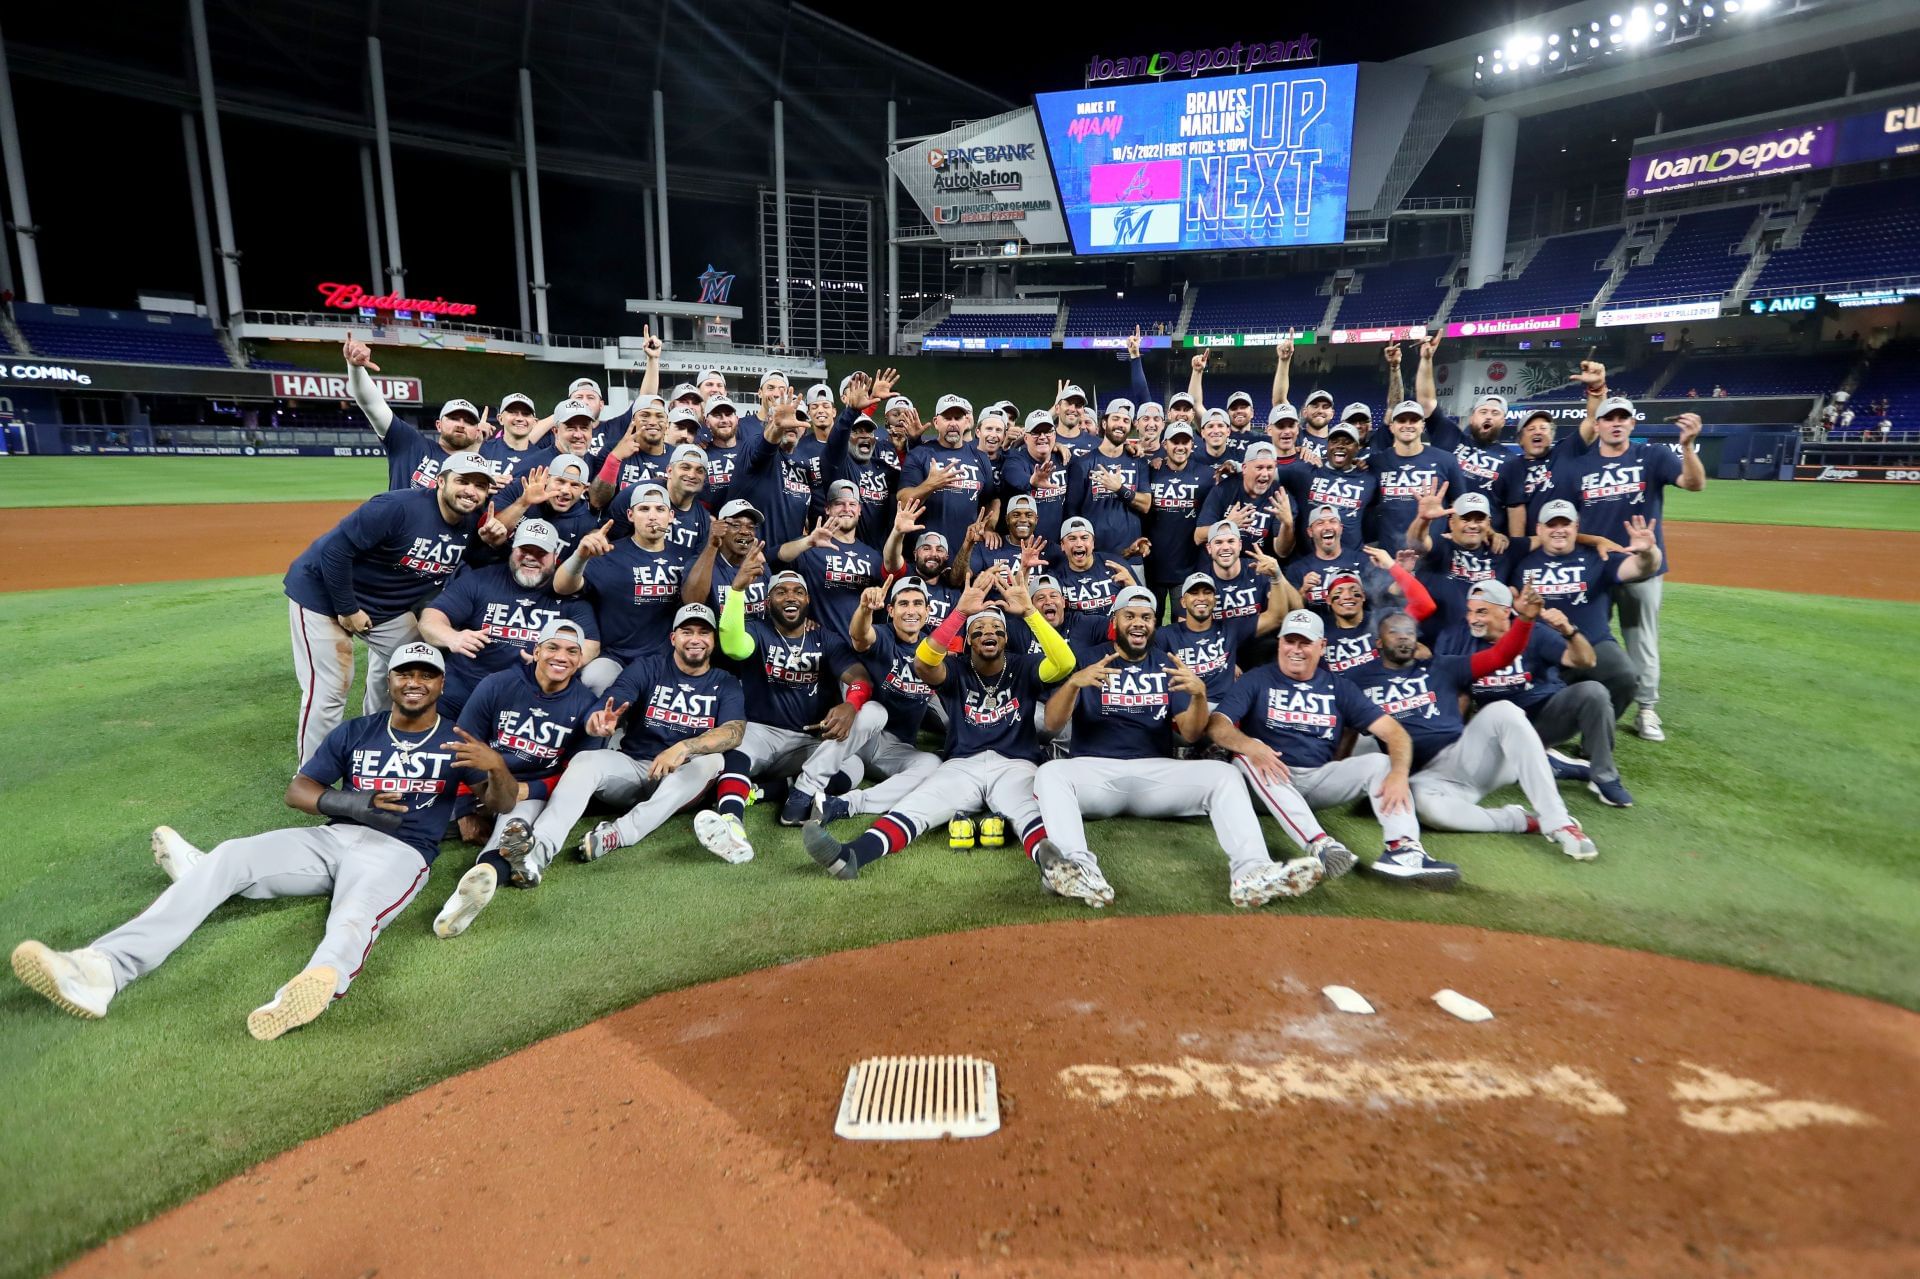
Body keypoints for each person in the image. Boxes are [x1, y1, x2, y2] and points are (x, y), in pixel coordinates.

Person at [14, 644, 517, 1038]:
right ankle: (102, 970)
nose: (414, 682)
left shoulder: (458, 743)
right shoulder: (357, 731)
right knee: (231, 856)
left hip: (400, 853)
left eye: (426, 675)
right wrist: (352, 804)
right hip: (333, 839)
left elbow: (502, 803)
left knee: (354, 914)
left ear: (440, 684)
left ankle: (311, 986)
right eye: (405, 673)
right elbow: (299, 790)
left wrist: (496, 769)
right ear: (390, 679)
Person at [1032, 586, 1323, 909]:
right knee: (1050, 773)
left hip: (1155, 774)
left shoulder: (1166, 663)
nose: (1138, 623)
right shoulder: (1089, 658)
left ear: (1154, 624)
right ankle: (1079, 869)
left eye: (1146, 617)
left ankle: (1252, 871)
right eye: (1130, 616)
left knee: (1224, 774)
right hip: (1096, 773)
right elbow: (1053, 723)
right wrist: (1074, 683)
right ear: (1115, 621)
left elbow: (1192, 732)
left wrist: (1199, 696)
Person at [800, 565, 1077, 878]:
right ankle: (851, 856)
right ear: (968, 640)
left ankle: (1055, 869)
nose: (988, 632)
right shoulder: (956, 668)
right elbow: (923, 662)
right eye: (979, 628)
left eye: (996, 628)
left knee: (1028, 813)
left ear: (1005, 637)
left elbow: (1065, 663)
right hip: (961, 765)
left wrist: (1029, 611)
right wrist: (959, 613)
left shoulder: (1024, 665)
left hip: (1016, 764)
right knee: (915, 807)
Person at [284, 450, 507, 761]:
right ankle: (312, 775)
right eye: (463, 481)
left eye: (480, 486)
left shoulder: (471, 522)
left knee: (419, 667)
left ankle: (377, 741)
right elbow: (334, 552)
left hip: (384, 608)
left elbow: (473, 560)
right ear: (441, 481)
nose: (471, 491)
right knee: (331, 689)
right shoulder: (396, 507)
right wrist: (347, 608)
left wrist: (493, 544)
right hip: (322, 594)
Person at [495, 604, 745, 881]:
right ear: (673, 638)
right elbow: (614, 698)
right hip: (635, 767)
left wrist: (685, 747)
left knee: (712, 760)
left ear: (713, 640)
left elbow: (734, 731)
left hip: (681, 778)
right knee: (585, 761)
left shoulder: (725, 682)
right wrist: (599, 718)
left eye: (703, 632)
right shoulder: (648, 668)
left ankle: (618, 834)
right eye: (687, 631)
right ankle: (537, 852)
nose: (695, 639)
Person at [1207, 610, 1456, 888]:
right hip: (1264, 785)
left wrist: (1398, 773)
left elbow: (1395, 733)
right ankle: (1320, 845)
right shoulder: (1257, 679)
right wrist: (1250, 745)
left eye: (1305, 642)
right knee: (1246, 755)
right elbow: (1217, 724)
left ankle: (1403, 850)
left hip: (1317, 779)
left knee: (1381, 763)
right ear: (1279, 643)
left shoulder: (1339, 687)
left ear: (1322, 646)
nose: (1296, 649)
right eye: (1289, 641)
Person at [1343, 593, 1598, 861]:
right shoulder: (1358, 680)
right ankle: (1521, 821)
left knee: (1504, 710)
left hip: (1467, 757)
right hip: (1425, 779)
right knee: (1425, 808)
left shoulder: (1441, 666)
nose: (1404, 637)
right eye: (1395, 632)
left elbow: (1501, 655)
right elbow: (1344, 729)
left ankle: (1559, 822)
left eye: (1409, 632)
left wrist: (1524, 619)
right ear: (1379, 642)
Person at [431, 620, 605, 937]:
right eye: (553, 647)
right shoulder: (498, 685)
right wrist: (465, 808)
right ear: (536, 651)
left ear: (580, 660)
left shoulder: (586, 707)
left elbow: (575, 776)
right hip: (479, 783)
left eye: (572, 651)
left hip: (526, 794)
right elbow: (463, 746)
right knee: (415, 819)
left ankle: (470, 891)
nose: (561, 657)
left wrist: (530, 789)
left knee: (513, 833)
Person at [1565, 397, 1705, 742]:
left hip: (1640, 567)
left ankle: (1646, 708)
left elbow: (1694, 483)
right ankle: (1582, 699)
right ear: (1597, 424)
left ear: (1632, 423)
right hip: (1592, 568)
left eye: (1622, 417)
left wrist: (1687, 447)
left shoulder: (1652, 456)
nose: (1616, 423)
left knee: (1640, 638)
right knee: (1585, 634)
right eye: (1608, 417)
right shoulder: (1580, 466)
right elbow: (1565, 521)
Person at [708, 566, 868, 843]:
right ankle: (730, 823)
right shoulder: (756, 630)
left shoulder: (825, 638)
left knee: (854, 768)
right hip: (761, 732)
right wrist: (737, 591)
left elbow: (860, 677)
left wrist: (851, 704)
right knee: (734, 753)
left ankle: (765, 791)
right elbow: (734, 647)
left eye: (798, 592)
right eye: (781, 592)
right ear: (768, 601)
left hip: (808, 738)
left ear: (808, 600)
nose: (790, 597)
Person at [1457, 580, 1635, 808]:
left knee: (1593, 692)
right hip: (1500, 733)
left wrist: (1569, 631)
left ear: (1505, 611)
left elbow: (1587, 661)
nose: (1473, 619)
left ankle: (1604, 777)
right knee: (1485, 769)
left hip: (1544, 720)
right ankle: (1550, 762)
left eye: (1482, 612)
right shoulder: (1459, 640)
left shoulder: (1535, 633)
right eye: (1470, 611)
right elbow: (1456, 691)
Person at [417, 518, 600, 718]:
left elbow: (591, 643)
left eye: (541, 553)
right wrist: (452, 637)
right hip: (463, 687)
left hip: (526, 696)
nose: (531, 557)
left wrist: (555, 660)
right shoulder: (480, 580)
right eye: (524, 550)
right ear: (512, 550)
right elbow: (430, 619)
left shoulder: (567, 594)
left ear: (555, 556)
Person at [1512, 502, 1663, 719]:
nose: (1559, 530)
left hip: (1594, 643)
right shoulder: (1522, 563)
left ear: (1576, 527)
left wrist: (1649, 552)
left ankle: (1595, 733)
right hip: (1543, 650)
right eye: (1551, 524)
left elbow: (1641, 567)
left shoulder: (1598, 557)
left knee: (1625, 676)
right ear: (1539, 529)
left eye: (1565, 524)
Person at [812, 577, 945, 825]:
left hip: (894, 749)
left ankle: (847, 804)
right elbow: (860, 635)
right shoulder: (883, 636)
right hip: (861, 737)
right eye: (903, 604)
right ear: (891, 610)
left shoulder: (932, 652)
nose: (911, 610)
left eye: (918, 603)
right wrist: (865, 610)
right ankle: (792, 788)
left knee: (931, 763)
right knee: (853, 766)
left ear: (928, 610)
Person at [554, 482, 692, 694]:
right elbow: (561, 587)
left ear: (671, 516)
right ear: (630, 515)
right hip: (616, 657)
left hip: (664, 660)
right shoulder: (609, 552)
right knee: (593, 678)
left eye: (660, 509)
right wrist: (580, 556)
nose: (652, 516)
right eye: (644, 509)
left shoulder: (686, 557)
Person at [342, 333, 484, 491]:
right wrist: (355, 368)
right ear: (438, 425)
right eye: (454, 418)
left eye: (469, 421)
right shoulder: (409, 443)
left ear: (477, 432)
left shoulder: (480, 476)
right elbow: (372, 405)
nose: (461, 425)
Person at [1367, 399, 1469, 552]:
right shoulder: (1377, 462)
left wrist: (1457, 533)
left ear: (1422, 426)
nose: (1408, 425)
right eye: (1401, 420)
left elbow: (1460, 504)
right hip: (1390, 554)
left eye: (1414, 420)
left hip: (1433, 553)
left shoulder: (1446, 460)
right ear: (1392, 427)